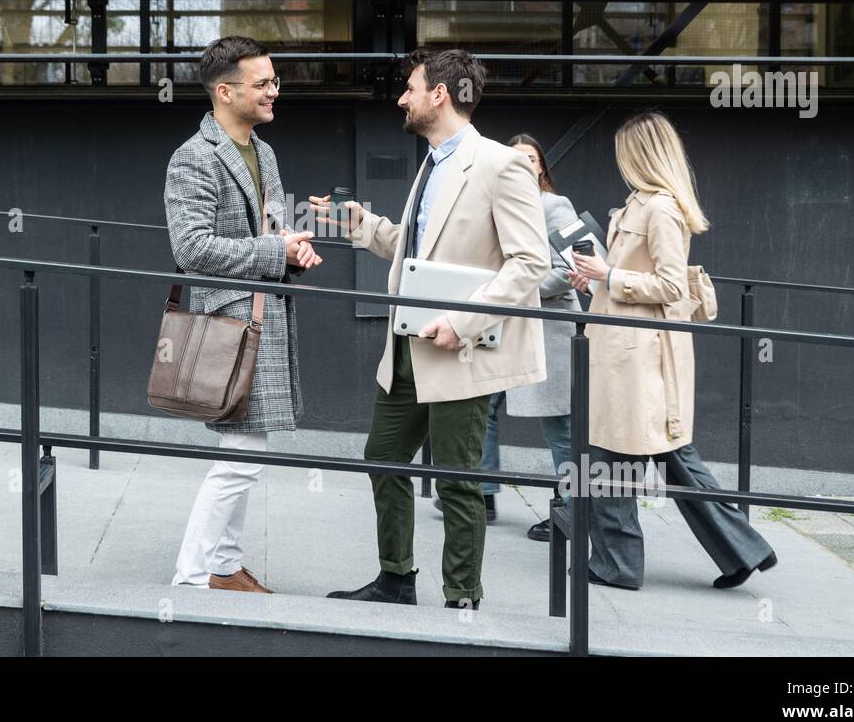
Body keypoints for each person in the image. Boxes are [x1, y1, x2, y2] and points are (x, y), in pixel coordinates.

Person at [311, 48, 550, 609]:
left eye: (411, 88)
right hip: (405, 348)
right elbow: (419, 251)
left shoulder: (501, 164)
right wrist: (363, 226)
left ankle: (461, 599)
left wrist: (462, 323)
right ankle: (396, 579)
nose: (403, 97)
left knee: (457, 481)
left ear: (440, 94)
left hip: (459, 351)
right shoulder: (433, 162)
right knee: (383, 458)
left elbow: (530, 262)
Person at [568, 111, 777, 591]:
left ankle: (618, 565)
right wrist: (595, 278)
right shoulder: (642, 206)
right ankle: (742, 550)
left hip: (637, 358)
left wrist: (609, 276)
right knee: (664, 455)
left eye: (625, 152)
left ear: (641, 154)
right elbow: (632, 279)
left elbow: (668, 286)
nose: (620, 162)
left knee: (612, 457)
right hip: (629, 352)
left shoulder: (659, 209)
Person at [166, 35, 322, 594]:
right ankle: (192, 576)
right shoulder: (193, 158)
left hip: (265, 318)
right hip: (231, 324)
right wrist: (272, 252)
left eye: (275, 81)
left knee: (245, 451)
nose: (274, 91)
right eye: (263, 83)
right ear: (224, 91)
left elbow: (271, 233)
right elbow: (191, 248)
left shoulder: (265, 152)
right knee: (242, 456)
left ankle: (225, 566)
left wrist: (294, 250)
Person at [432, 133, 582, 540]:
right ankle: (483, 493)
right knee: (486, 408)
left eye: (530, 159)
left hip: (549, 331)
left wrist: (513, 286)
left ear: (541, 167)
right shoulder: (497, 203)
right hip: (500, 329)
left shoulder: (556, 206)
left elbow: (577, 266)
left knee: (561, 428)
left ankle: (572, 512)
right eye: (513, 159)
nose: (521, 165)